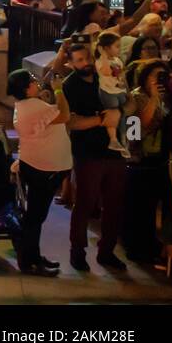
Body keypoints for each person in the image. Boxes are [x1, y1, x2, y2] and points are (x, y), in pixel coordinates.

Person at [63, 39, 128, 272]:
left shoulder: (106, 76)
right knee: (85, 204)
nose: (86, 63)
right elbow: (70, 122)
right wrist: (101, 120)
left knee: (114, 204)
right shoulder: (70, 86)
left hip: (115, 152)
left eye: (88, 58)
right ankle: (77, 252)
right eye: (80, 60)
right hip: (88, 152)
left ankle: (107, 252)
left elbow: (127, 107)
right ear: (70, 64)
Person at [8, 68, 71, 275]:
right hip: (42, 169)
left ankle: (32, 256)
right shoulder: (32, 107)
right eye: (33, 81)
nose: (37, 83)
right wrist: (59, 91)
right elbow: (64, 115)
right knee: (35, 218)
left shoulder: (25, 105)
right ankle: (29, 262)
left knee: (35, 217)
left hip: (37, 166)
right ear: (27, 88)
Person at [122, 60, 168, 263]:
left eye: (162, 76)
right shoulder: (135, 97)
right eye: (155, 76)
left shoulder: (165, 97)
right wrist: (153, 100)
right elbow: (134, 132)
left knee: (149, 209)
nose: (159, 80)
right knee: (136, 209)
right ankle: (135, 248)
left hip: (156, 160)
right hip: (137, 161)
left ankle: (149, 245)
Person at [94, 32, 130, 156]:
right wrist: (103, 55)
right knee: (113, 114)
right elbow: (107, 72)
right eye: (116, 46)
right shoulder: (100, 62)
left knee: (123, 115)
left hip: (119, 90)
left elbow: (121, 75)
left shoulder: (117, 60)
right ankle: (113, 139)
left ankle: (124, 140)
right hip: (108, 91)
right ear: (106, 48)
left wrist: (125, 87)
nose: (119, 49)